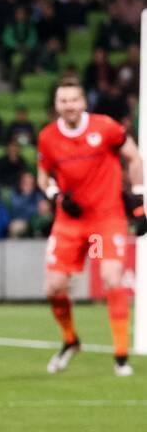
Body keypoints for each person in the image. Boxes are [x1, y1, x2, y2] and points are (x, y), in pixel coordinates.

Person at [38, 82, 143, 376]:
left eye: (74, 99)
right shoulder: (47, 138)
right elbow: (42, 176)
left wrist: (138, 199)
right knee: (54, 287)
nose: (69, 105)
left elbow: (134, 157)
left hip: (104, 219)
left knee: (111, 276)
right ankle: (71, 340)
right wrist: (55, 196)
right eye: (63, 100)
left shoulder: (105, 128)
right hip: (70, 222)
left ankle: (121, 356)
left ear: (84, 102)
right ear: (56, 105)